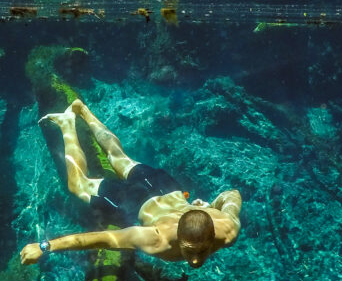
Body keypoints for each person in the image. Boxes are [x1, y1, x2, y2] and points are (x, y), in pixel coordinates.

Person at [20, 99, 241, 270]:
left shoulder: (227, 227)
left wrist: (210, 205)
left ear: (213, 235)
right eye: (190, 251)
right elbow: (98, 239)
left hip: (165, 186)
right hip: (135, 200)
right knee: (78, 185)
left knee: (119, 158)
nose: (194, 261)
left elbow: (232, 194)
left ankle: (83, 110)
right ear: (179, 238)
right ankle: (67, 123)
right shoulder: (157, 240)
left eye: (202, 251)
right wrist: (43, 247)